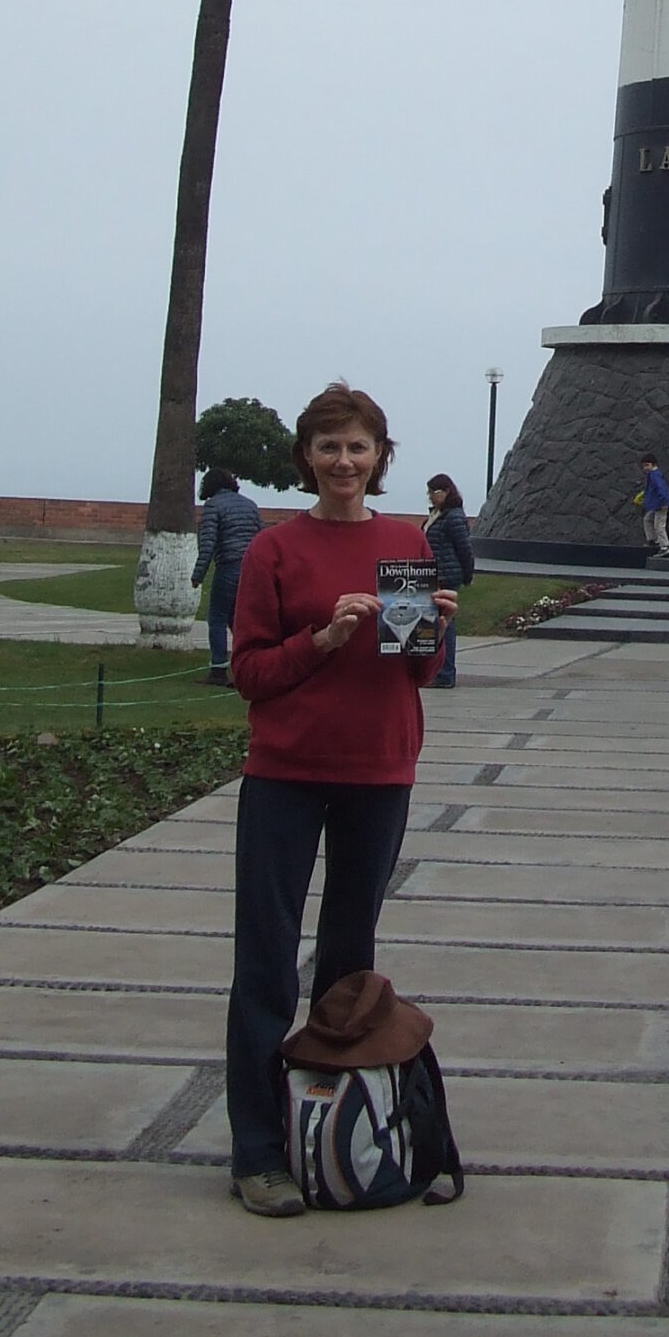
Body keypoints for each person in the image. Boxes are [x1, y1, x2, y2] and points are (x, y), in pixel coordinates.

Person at [224, 381, 458, 1219]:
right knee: (265, 960)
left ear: (380, 457)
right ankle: (257, 1151)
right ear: (307, 460)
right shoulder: (275, 551)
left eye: (358, 447)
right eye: (328, 447)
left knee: (348, 961)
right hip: (287, 769)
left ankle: (347, 1132)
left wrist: (432, 630)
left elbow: (417, 673)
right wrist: (321, 639)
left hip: (377, 768)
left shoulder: (405, 544)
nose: (344, 462)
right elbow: (249, 672)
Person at [191, 466, 263, 687]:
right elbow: (263, 538)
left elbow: (208, 543)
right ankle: (245, 668)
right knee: (238, 621)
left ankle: (219, 670)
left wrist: (198, 574)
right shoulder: (250, 505)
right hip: (251, 568)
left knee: (217, 619)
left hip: (229, 566)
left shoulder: (213, 506)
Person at [422, 473, 474, 689]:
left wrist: (467, 574)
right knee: (437, 624)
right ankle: (438, 670)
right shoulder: (437, 515)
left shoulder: (453, 517)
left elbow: (464, 548)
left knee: (446, 623)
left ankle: (446, 673)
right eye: (430, 493)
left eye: (435, 492)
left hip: (446, 575)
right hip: (432, 574)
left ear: (446, 492)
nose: (431, 497)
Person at [638, 453, 669, 560]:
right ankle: (653, 540)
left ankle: (664, 546)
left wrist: (663, 501)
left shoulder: (655, 475)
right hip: (657, 504)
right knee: (648, 519)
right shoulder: (654, 475)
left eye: (647, 465)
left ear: (653, 465)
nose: (645, 468)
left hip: (660, 504)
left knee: (659, 525)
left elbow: (661, 488)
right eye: (644, 466)